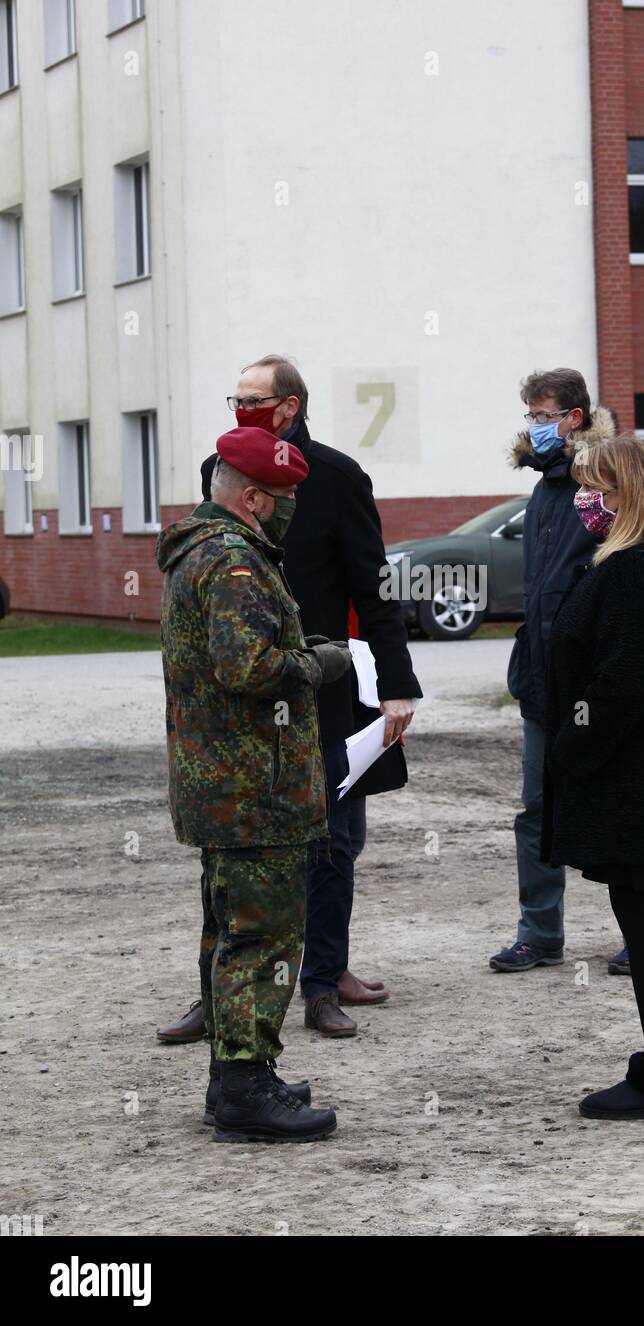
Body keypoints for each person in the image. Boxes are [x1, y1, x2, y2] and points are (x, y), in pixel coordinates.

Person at [158, 353, 422, 1042]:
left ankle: (323, 981)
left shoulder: (336, 476)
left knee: (332, 841)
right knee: (235, 851)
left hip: (324, 689)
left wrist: (397, 685)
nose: (240, 410)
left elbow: (375, 587)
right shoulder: (223, 470)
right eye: (235, 399)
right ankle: (220, 992)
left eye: (252, 399)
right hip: (250, 702)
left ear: (289, 407)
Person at [156, 425, 353, 1142]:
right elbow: (246, 667)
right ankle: (245, 1086)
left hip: (225, 785)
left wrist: (298, 651)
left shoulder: (200, 550)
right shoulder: (235, 562)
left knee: (229, 932)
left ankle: (233, 1078)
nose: (290, 508)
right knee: (261, 938)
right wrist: (318, 664)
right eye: (282, 496)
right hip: (253, 789)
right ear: (252, 499)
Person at [542, 435, 644, 1119]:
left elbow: (621, 684)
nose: (585, 499)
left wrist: (568, 746)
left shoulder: (627, 571)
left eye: (596, 487)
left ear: (626, 494)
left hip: (635, 783)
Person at [489, 370, 628, 974]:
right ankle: (540, 934)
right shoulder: (543, 489)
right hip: (541, 678)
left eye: (544, 415)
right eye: (530, 415)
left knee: (616, 805)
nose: (534, 426)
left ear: (575, 417)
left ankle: (640, 932)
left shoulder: (604, 482)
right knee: (537, 811)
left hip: (595, 679)